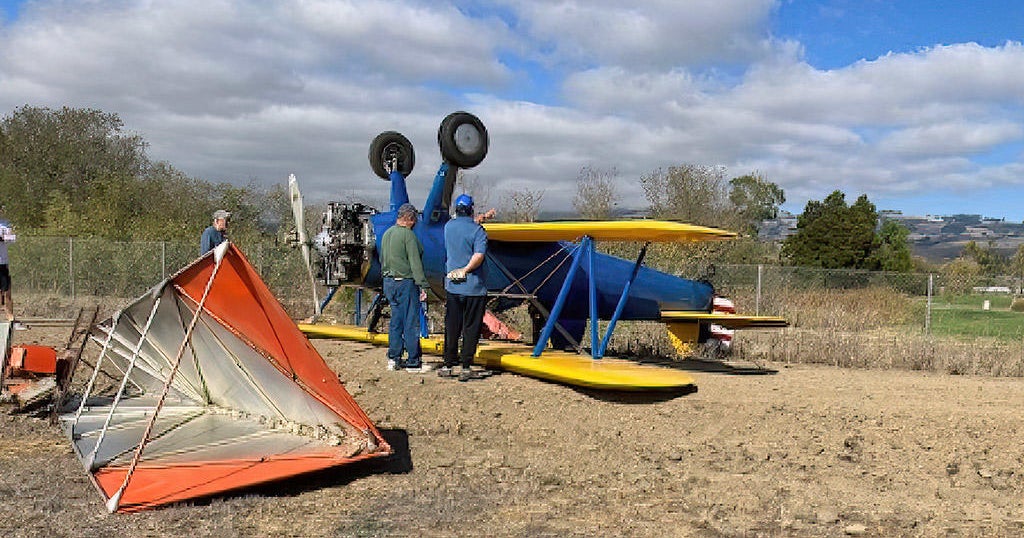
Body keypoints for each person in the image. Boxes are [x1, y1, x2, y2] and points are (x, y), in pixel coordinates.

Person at [440, 194, 491, 382]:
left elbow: (462, 227)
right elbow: (479, 255)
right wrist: (466, 270)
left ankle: (448, 364)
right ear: (471, 209)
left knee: (452, 326)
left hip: (453, 287)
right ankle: (466, 366)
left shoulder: (448, 227)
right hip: (474, 288)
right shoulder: (478, 231)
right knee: (471, 327)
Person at [380, 203, 430, 372]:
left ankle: (394, 358)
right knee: (410, 321)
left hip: (388, 282)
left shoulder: (387, 234)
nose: (415, 223)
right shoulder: (408, 236)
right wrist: (423, 285)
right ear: (409, 219)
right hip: (405, 283)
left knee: (396, 320)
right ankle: (413, 361)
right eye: (414, 219)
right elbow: (415, 262)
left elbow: (382, 259)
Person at [0, 208, 20, 328]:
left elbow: (12, 238)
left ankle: (10, 317)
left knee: (6, 291)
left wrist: (2, 238)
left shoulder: (5, 223)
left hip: (2, 262)